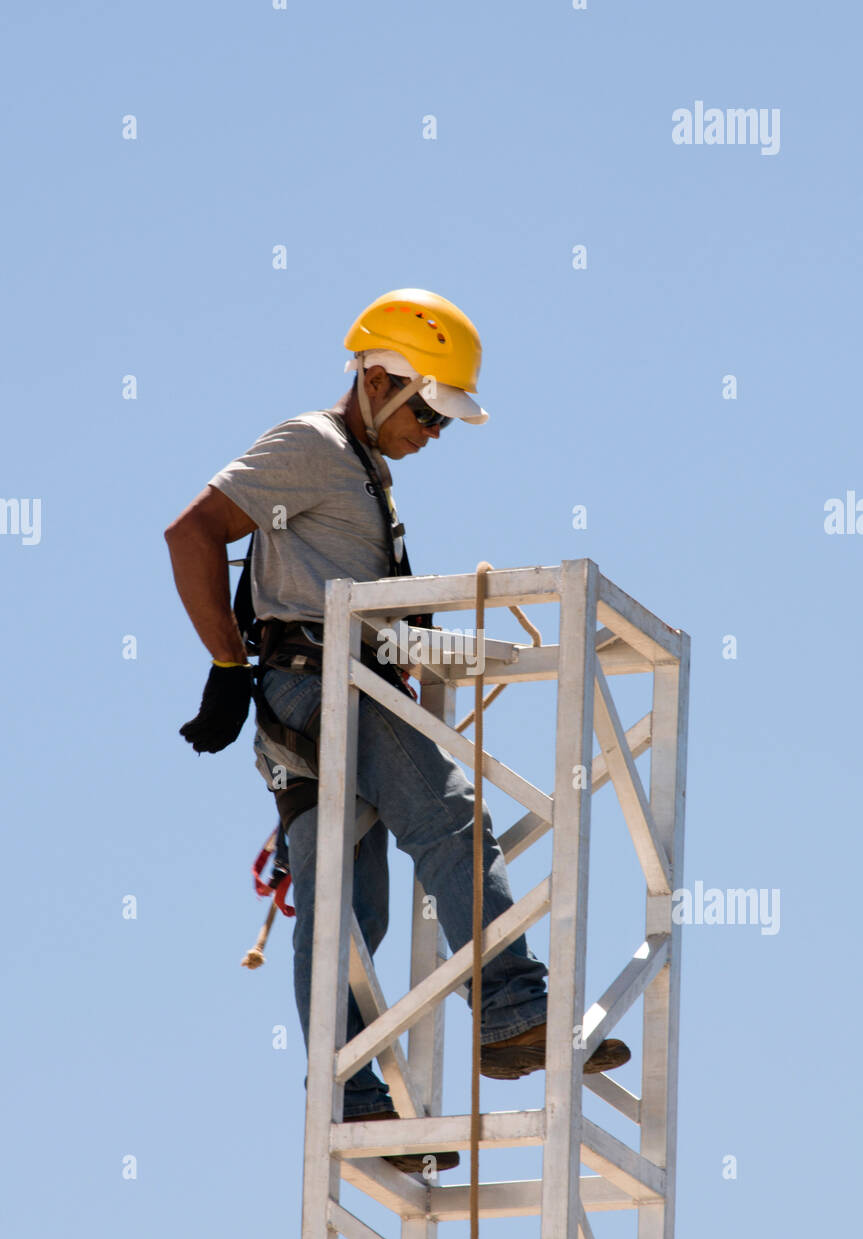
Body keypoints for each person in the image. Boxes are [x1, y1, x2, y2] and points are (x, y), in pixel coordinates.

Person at [164, 288, 630, 1173]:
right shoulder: (311, 445)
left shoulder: (365, 476)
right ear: (378, 378)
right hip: (323, 688)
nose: (434, 432)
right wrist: (227, 666)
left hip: (316, 695)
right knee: (451, 819)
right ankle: (510, 1009)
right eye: (428, 411)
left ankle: (353, 1102)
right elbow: (191, 531)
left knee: (347, 907)